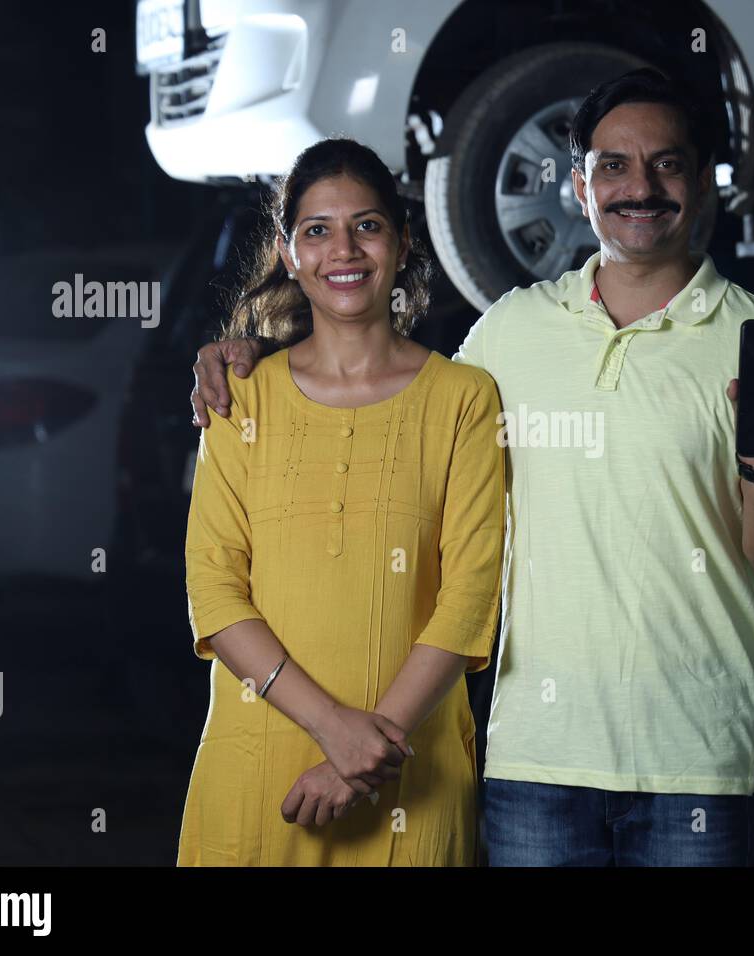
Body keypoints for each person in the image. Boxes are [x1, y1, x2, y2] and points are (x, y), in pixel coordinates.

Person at [191, 69, 754, 866]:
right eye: (614, 166)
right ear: (579, 185)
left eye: (667, 164)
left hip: (697, 762)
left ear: (704, 181)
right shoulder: (512, 330)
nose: (640, 187)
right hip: (535, 758)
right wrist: (255, 352)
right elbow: (379, 386)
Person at [179, 137, 506, 866]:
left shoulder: (465, 398)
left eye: (367, 224)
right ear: (290, 254)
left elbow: (472, 592)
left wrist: (368, 742)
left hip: (410, 771)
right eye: (316, 231)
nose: (343, 250)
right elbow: (214, 589)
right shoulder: (239, 399)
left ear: (402, 240)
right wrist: (334, 729)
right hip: (256, 770)